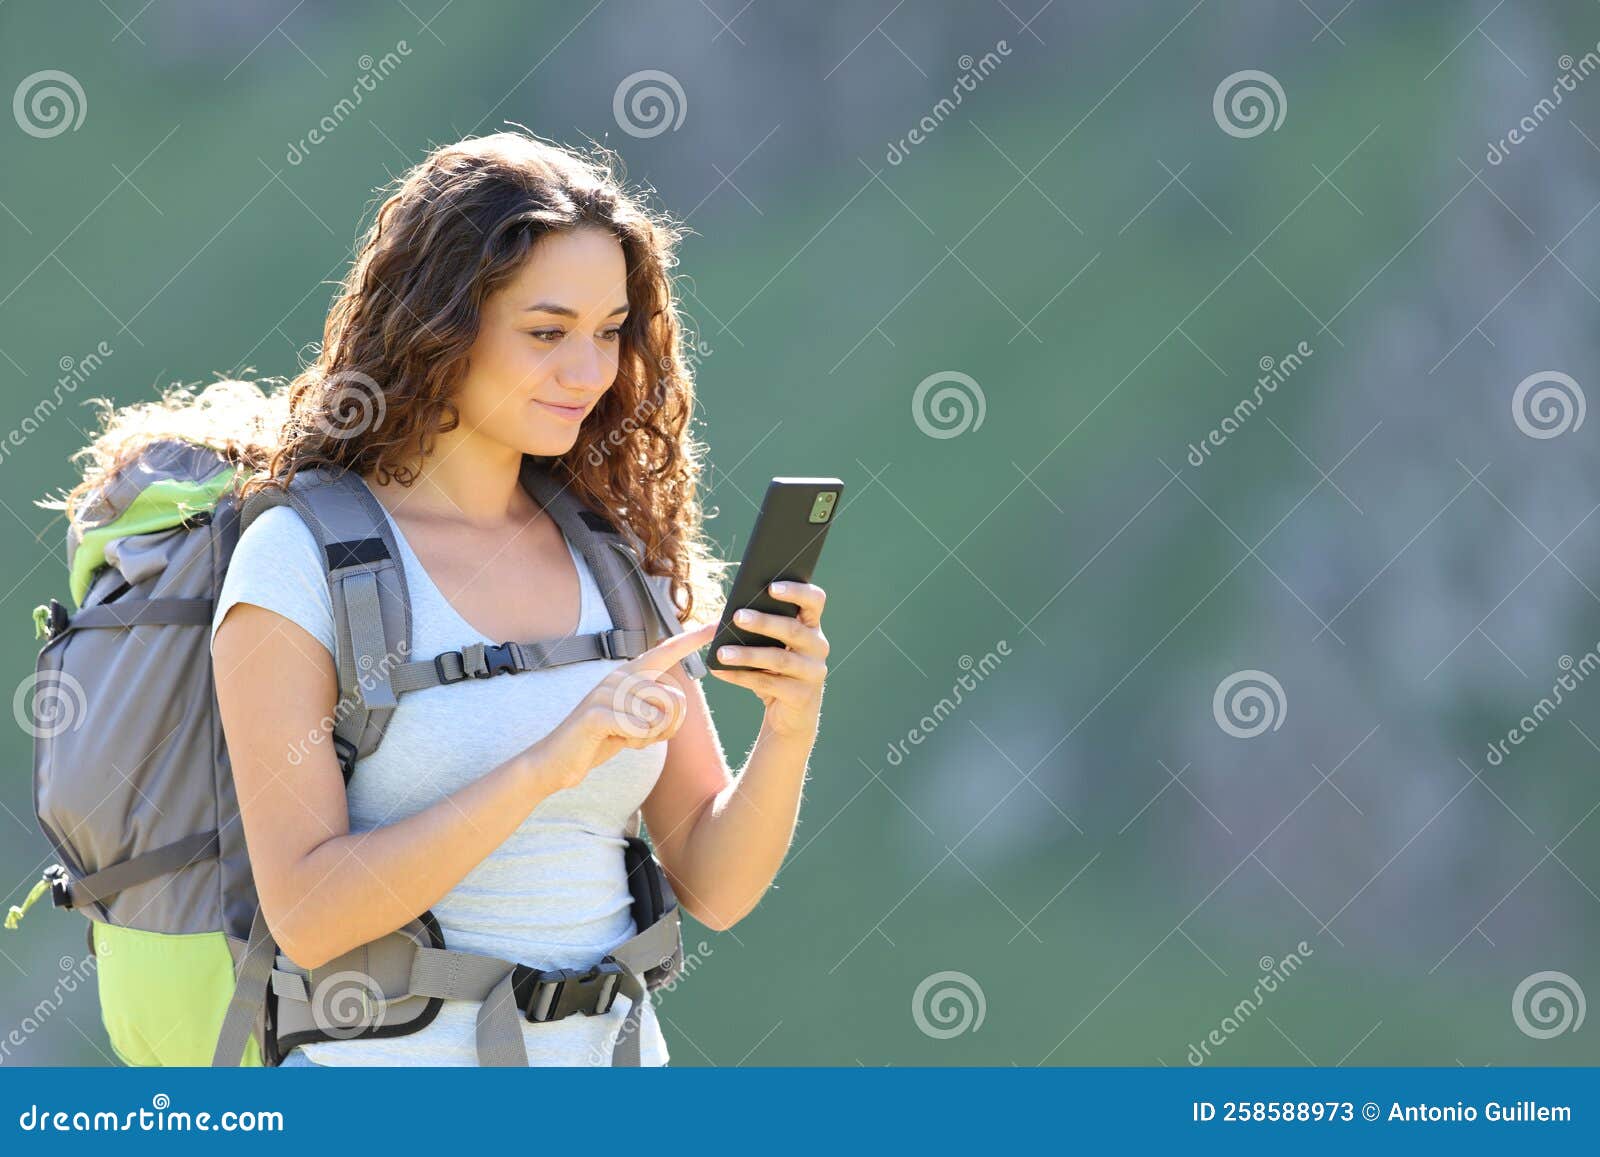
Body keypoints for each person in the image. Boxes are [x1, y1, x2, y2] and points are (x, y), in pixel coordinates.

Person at [207, 130, 830, 1066]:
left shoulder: (612, 555)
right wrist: (546, 765)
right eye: (547, 333)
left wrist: (789, 726)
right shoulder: (297, 560)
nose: (590, 372)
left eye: (609, 331)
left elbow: (715, 884)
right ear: (439, 324)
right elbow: (307, 913)